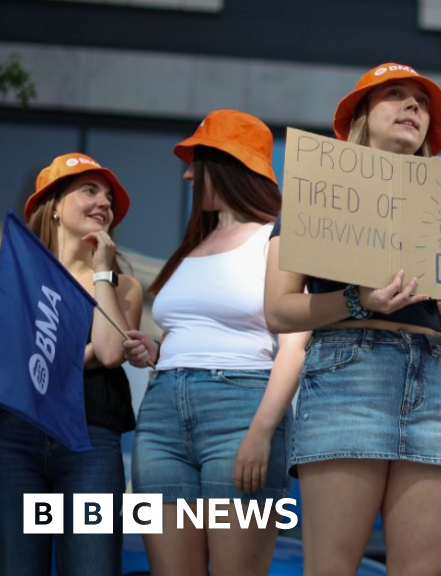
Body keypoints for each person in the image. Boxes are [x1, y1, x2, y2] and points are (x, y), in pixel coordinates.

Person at [262, 63, 441, 576]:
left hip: (437, 384)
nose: (413, 108)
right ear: (361, 115)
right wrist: (360, 302)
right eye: (397, 96)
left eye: (422, 103)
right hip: (346, 374)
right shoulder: (316, 192)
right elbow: (278, 309)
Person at [122, 110, 305, 575]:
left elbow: (295, 344)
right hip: (162, 412)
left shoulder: (275, 240)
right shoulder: (190, 248)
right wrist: (156, 351)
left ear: (225, 166)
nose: (186, 173)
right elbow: (190, 332)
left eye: (195, 161)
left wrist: (261, 432)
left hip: (242, 410)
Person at [0, 153, 143, 575]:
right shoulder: (15, 272)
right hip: (15, 442)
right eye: (88, 190)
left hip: (90, 444)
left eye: (109, 198)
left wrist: (103, 271)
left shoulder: (124, 284)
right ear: (55, 205)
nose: (104, 203)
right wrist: (77, 360)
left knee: (92, 567)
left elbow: (111, 351)